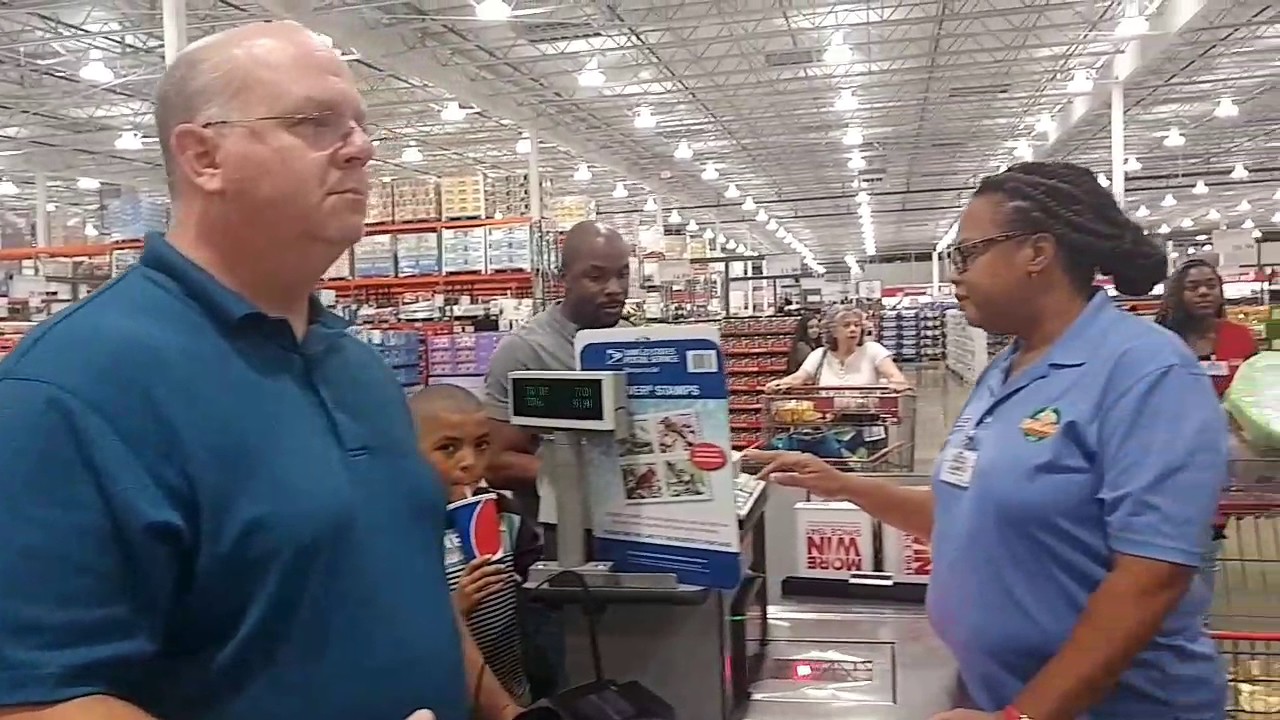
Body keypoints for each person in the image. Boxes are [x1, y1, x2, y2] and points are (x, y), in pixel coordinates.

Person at [0, 22, 518, 720]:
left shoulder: (358, 368)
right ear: (203, 155)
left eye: (362, 126)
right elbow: (39, 700)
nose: (362, 148)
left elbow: (407, 587)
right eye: (316, 122)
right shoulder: (71, 390)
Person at [750, 161, 1228, 720]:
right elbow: (967, 513)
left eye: (967, 254)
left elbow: (1152, 577)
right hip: (1001, 691)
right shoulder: (1006, 370)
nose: (956, 275)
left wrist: (1022, 716)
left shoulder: (1146, 371)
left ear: (1036, 253)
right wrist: (843, 484)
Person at [483, 219, 632, 694]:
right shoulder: (527, 350)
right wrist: (575, 477)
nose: (614, 289)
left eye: (623, 274)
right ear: (562, 277)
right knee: (566, 688)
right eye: (596, 275)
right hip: (555, 566)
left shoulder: (633, 342)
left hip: (630, 550)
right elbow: (495, 460)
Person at [410, 384, 540, 706]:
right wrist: (454, 608)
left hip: (514, 694)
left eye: (481, 445)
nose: (469, 462)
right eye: (448, 448)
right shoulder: (398, 535)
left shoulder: (508, 519)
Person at [1156, 258, 1258, 398]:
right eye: (1192, 287)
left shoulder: (1240, 336)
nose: (1203, 292)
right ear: (1176, 295)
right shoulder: (1162, 341)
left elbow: (1255, 390)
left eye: (1211, 286)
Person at [765, 305, 909, 391]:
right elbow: (799, 377)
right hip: (830, 430)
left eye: (857, 325)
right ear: (833, 331)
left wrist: (897, 383)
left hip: (868, 431)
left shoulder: (873, 350)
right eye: (846, 325)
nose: (853, 330)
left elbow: (894, 375)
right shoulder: (820, 355)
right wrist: (779, 384)